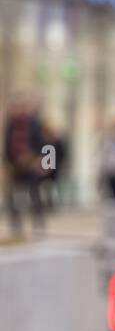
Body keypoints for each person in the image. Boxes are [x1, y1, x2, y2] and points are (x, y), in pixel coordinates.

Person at [3, 95, 48, 238]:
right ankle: (16, 224)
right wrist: (8, 161)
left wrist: (39, 160)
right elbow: (6, 144)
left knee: (34, 193)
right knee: (13, 195)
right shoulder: (11, 124)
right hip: (14, 164)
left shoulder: (34, 123)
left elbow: (41, 143)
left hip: (31, 162)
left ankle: (38, 222)